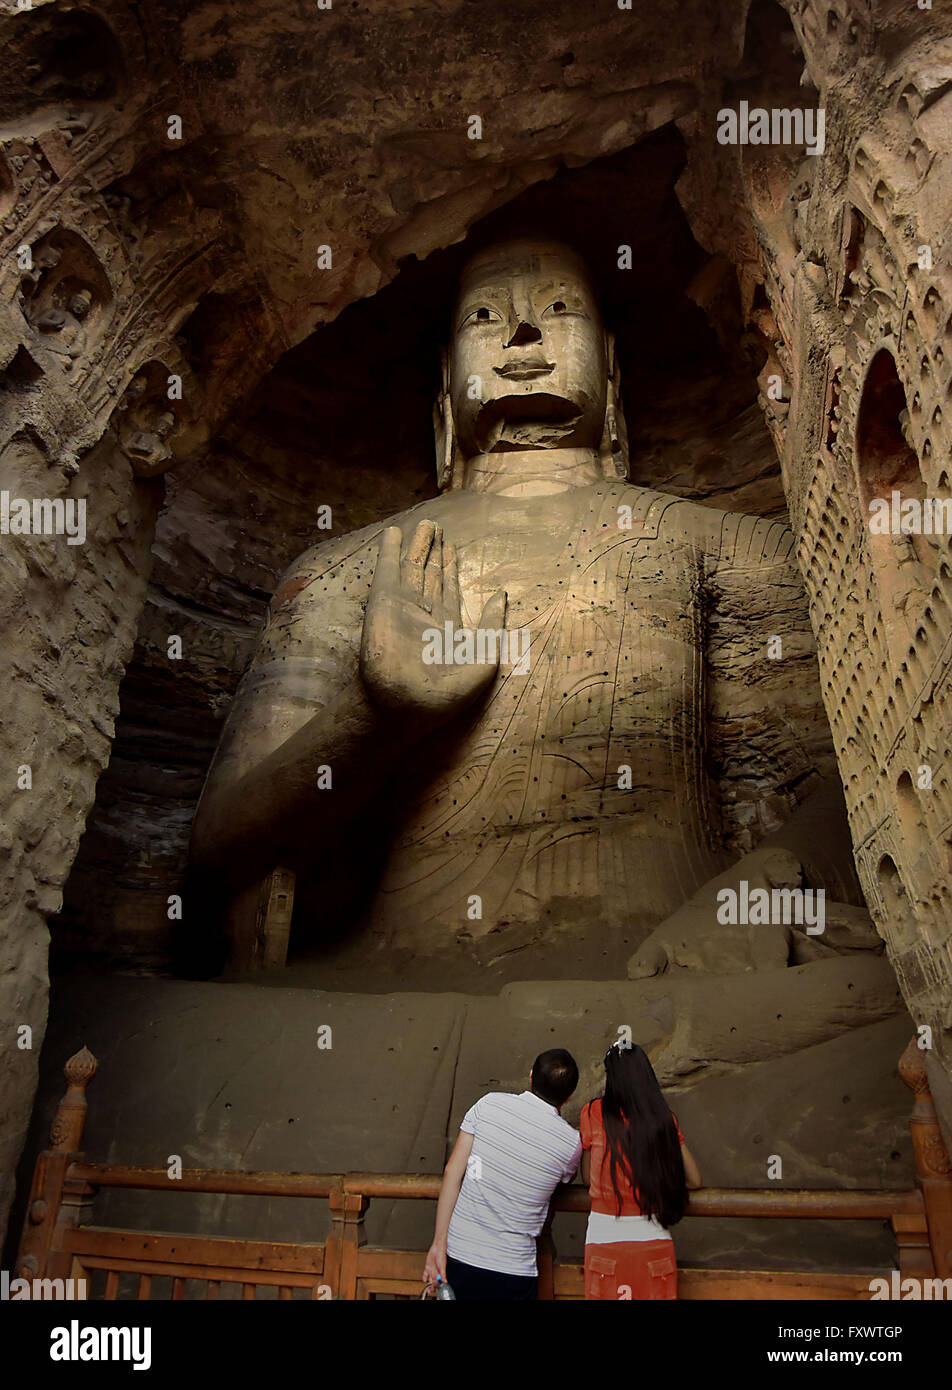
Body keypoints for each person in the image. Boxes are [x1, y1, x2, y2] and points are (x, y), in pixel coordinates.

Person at [422, 1048, 582, 1300]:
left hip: (463, 1253)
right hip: (514, 1268)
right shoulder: (572, 1144)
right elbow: (562, 1181)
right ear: (569, 1096)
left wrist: (438, 1243)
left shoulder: (488, 1104)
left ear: (531, 1075)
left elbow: (453, 1171)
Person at [580, 1040, 702, 1300]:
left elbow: (587, 1177)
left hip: (604, 1240)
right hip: (654, 1243)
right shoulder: (662, 1118)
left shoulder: (592, 1113)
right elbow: (694, 1180)